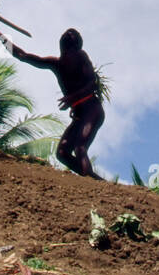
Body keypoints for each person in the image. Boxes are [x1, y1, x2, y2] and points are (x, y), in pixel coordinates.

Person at [10, 28, 104, 177]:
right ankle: (93, 179)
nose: (69, 55)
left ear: (76, 50)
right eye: (66, 52)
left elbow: (93, 84)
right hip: (80, 116)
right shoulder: (56, 64)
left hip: (92, 110)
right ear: (62, 49)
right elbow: (23, 56)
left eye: (72, 51)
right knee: (62, 153)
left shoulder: (81, 57)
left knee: (80, 147)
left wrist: (73, 97)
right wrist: (1, 37)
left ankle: (90, 183)